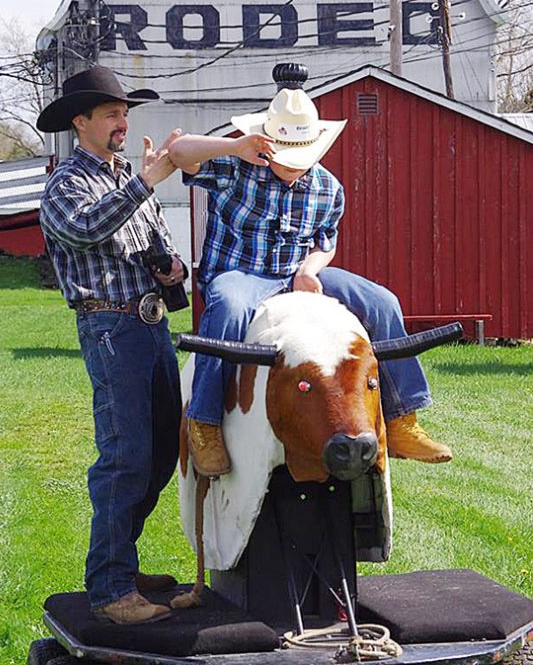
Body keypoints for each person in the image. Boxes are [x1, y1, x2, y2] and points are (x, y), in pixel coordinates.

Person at [168, 67, 452, 477]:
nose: (293, 166)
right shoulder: (234, 169)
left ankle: (402, 417)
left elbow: (326, 240)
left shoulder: (328, 188)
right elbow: (178, 151)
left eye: (301, 156)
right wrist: (234, 146)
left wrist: (309, 269)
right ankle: (205, 421)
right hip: (241, 273)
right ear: (265, 143)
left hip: (293, 274)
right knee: (227, 304)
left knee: (382, 301)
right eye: (285, 156)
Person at [38, 66, 184, 625]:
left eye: (125, 113)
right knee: (124, 457)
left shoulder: (127, 176)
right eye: (111, 114)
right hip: (110, 327)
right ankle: (110, 587)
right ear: (81, 122)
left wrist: (172, 270)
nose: (123, 122)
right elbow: (86, 229)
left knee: (159, 455)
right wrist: (147, 181)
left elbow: (158, 244)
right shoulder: (65, 183)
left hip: (149, 324)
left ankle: (119, 560)